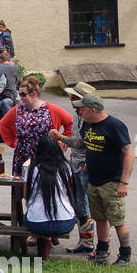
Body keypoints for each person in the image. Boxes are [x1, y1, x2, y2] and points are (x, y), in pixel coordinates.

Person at [72, 92, 134, 265]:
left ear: (93, 109)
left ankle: (125, 254)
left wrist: (124, 182)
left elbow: (129, 153)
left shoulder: (115, 126)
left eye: (82, 109)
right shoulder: (88, 125)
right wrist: (62, 139)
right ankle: (102, 251)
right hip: (94, 180)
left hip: (112, 182)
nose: (79, 112)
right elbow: (82, 144)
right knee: (100, 218)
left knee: (118, 219)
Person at [54, 82, 98, 254]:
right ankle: (85, 241)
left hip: (85, 166)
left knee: (87, 205)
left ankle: (91, 242)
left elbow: (87, 143)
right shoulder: (78, 114)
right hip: (77, 163)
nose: (70, 99)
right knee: (79, 204)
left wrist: (63, 139)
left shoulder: (90, 116)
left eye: (73, 97)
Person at [0, 77, 73, 174]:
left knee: (44, 184)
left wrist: (63, 140)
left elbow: (70, 122)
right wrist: (13, 142)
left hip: (46, 155)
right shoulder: (18, 109)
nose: (20, 97)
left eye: (22, 94)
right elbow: (3, 124)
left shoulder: (51, 109)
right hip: (23, 155)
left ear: (33, 94)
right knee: (24, 186)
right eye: (19, 94)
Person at [23, 135, 79, 260]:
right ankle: (51, 237)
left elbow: (25, 195)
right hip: (65, 222)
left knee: (33, 218)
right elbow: (70, 190)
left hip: (37, 223)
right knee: (49, 217)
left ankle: (44, 253)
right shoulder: (66, 167)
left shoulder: (32, 169)